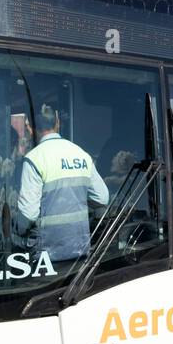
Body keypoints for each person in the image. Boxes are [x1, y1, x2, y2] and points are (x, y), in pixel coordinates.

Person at [14, 96, 110, 263]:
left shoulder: (34, 159)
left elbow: (28, 214)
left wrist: (12, 227)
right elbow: (102, 197)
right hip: (80, 251)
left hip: (48, 256)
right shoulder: (81, 154)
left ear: (29, 127)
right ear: (57, 123)